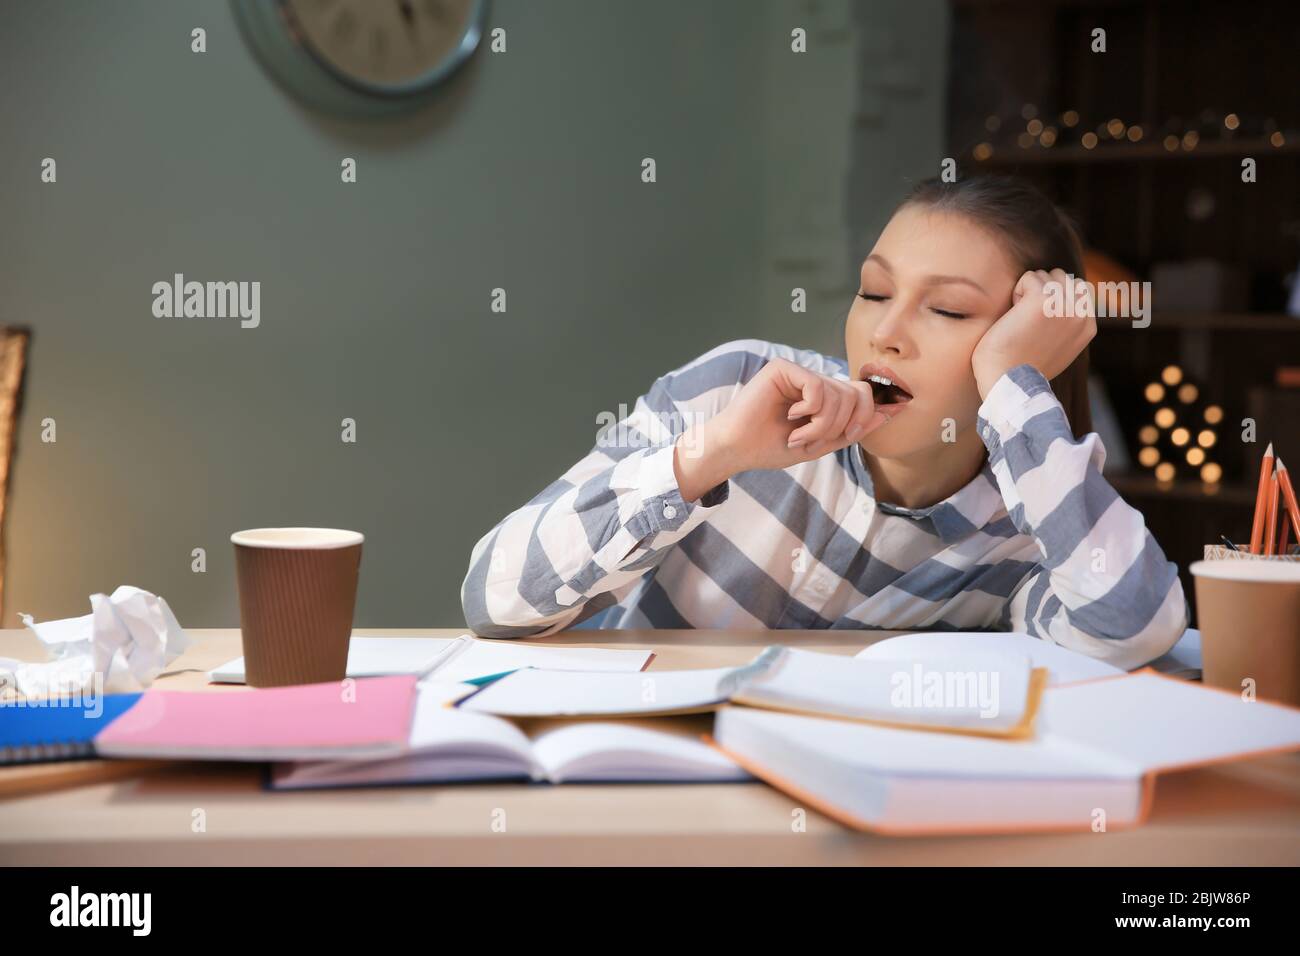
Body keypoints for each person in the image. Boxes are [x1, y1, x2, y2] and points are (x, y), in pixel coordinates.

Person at [461, 174, 1186, 668]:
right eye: (874, 292)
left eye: (949, 310)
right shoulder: (741, 387)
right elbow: (492, 597)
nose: (886, 333)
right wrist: (706, 458)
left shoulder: (1029, 532)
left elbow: (1133, 625)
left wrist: (1012, 386)